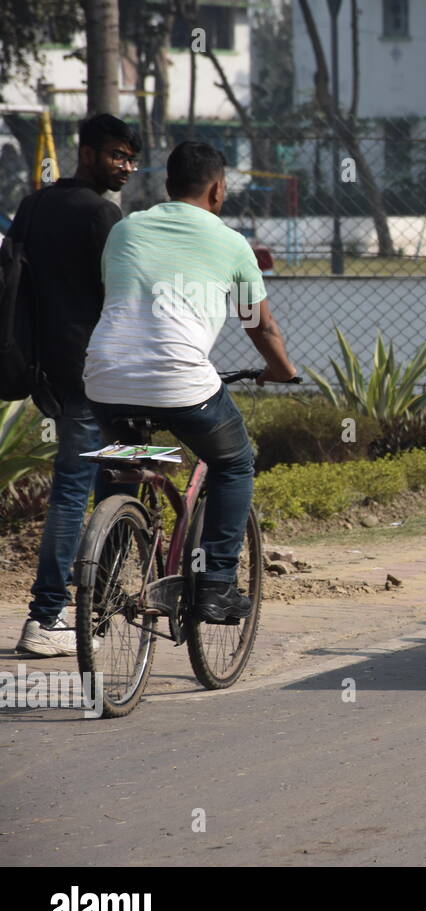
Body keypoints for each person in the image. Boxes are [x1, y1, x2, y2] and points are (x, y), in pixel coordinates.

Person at [82, 142, 298, 622]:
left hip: (104, 377)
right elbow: (257, 325)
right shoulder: (231, 243)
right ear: (218, 189)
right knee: (234, 464)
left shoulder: (126, 231)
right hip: (182, 386)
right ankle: (217, 586)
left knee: (121, 458)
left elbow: (117, 295)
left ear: (167, 185)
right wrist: (282, 371)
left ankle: (103, 575)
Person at [6, 114, 141, 657]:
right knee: (85, 482)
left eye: (131, 158)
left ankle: (93, 606)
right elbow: (124, 297)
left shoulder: (34, 205)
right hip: (98, 371)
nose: (125, 167)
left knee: (114, 472)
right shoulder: (102, 215)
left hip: (45, 370)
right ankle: (47, 616)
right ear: (86, 153)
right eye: (116, 156)